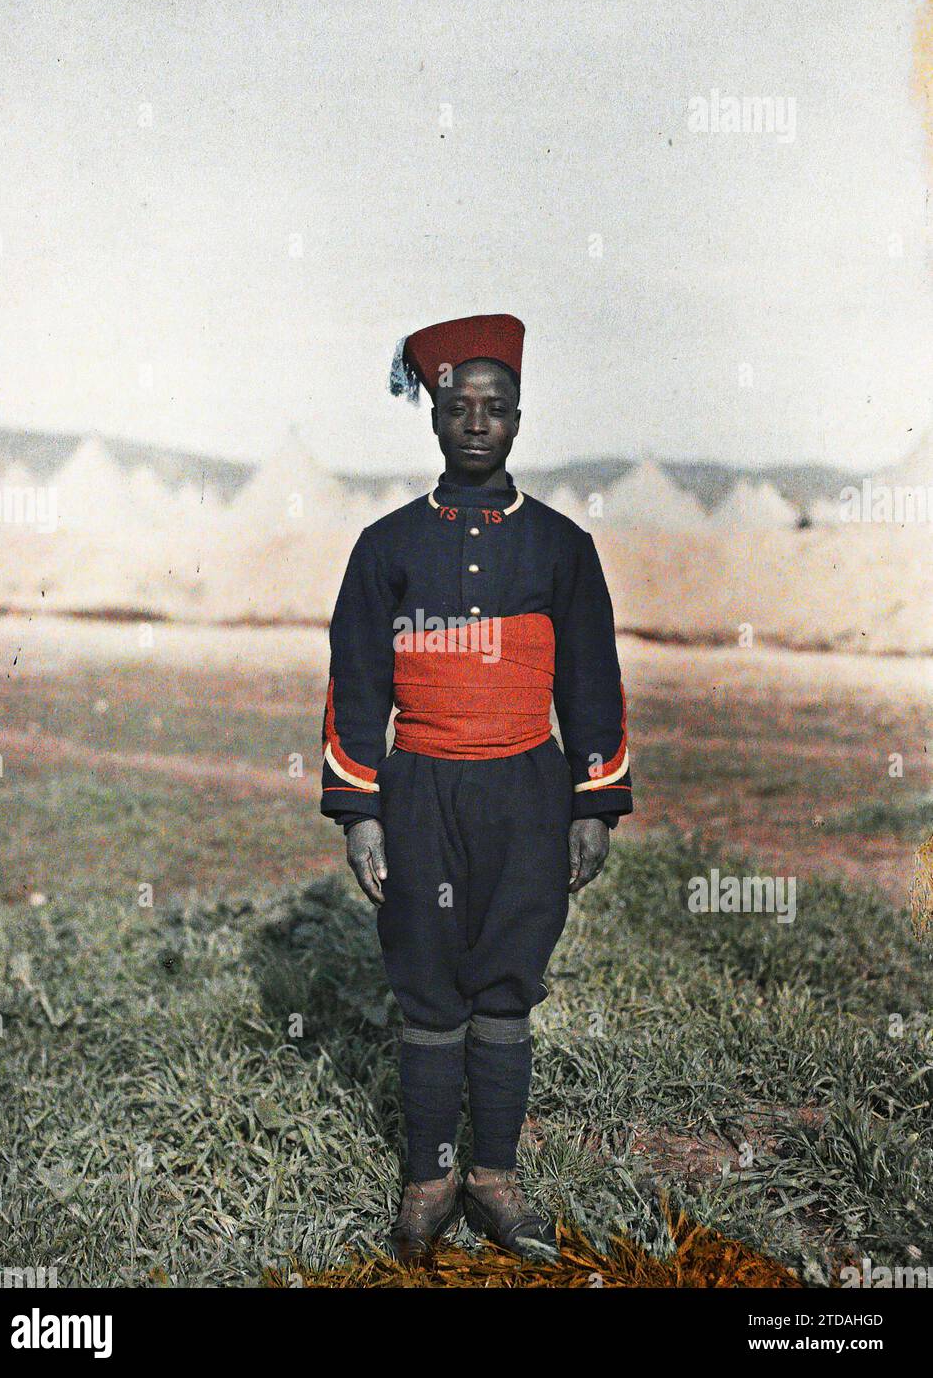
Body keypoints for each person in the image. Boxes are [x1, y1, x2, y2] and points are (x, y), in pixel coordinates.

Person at [321, 313, 632, 1262]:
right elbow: (355, 683)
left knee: (505, 986)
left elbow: (592, 680)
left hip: (528, 795)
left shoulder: (562, 546)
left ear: (519, 420)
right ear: (434, 418)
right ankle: (428, 1181)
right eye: (458, 406)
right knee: (428, 989)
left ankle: (494, 1176)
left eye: (495, 408)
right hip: (420, 791)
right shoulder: (386, 545)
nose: (476, 423)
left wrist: (593, 802)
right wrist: (361, 812)